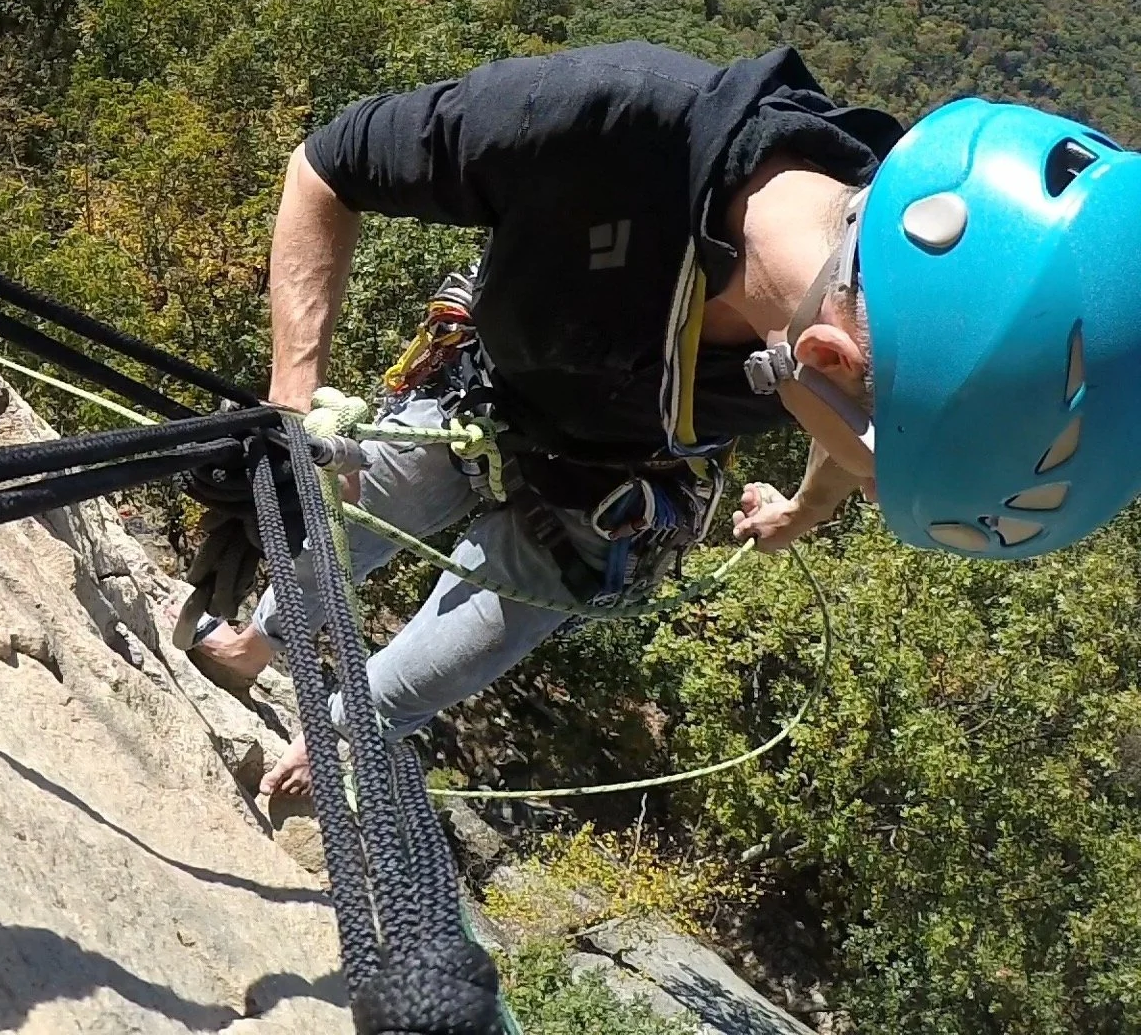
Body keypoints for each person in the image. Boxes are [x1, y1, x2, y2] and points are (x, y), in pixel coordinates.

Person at [185, 41, 1141, 798]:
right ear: (827, 362)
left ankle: (335, 738)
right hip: (490, 385)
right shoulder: (609, 124)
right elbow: (326, 170)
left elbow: (851, 436)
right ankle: (260, 640)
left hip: (613, 488)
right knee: (348, 510)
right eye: (880, 464)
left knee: (450, 650)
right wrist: (292, 403)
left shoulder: (874, 300)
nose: (867, 476)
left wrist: (798, 514)